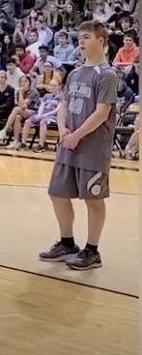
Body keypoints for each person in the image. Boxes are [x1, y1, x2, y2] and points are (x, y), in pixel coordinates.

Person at [39, 21, 118, 271]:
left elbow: (102, 112)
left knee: (92, 199)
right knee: (57, 193)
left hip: (92, 147)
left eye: (86, 37)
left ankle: (92, 251)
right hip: (68, 143)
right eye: (80, 37)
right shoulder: (74, 73)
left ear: (101, 41)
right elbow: (63, 104)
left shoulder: (107, 74)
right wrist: (63, 130)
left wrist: (78, 135)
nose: (81, 41)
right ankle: (67, 243)